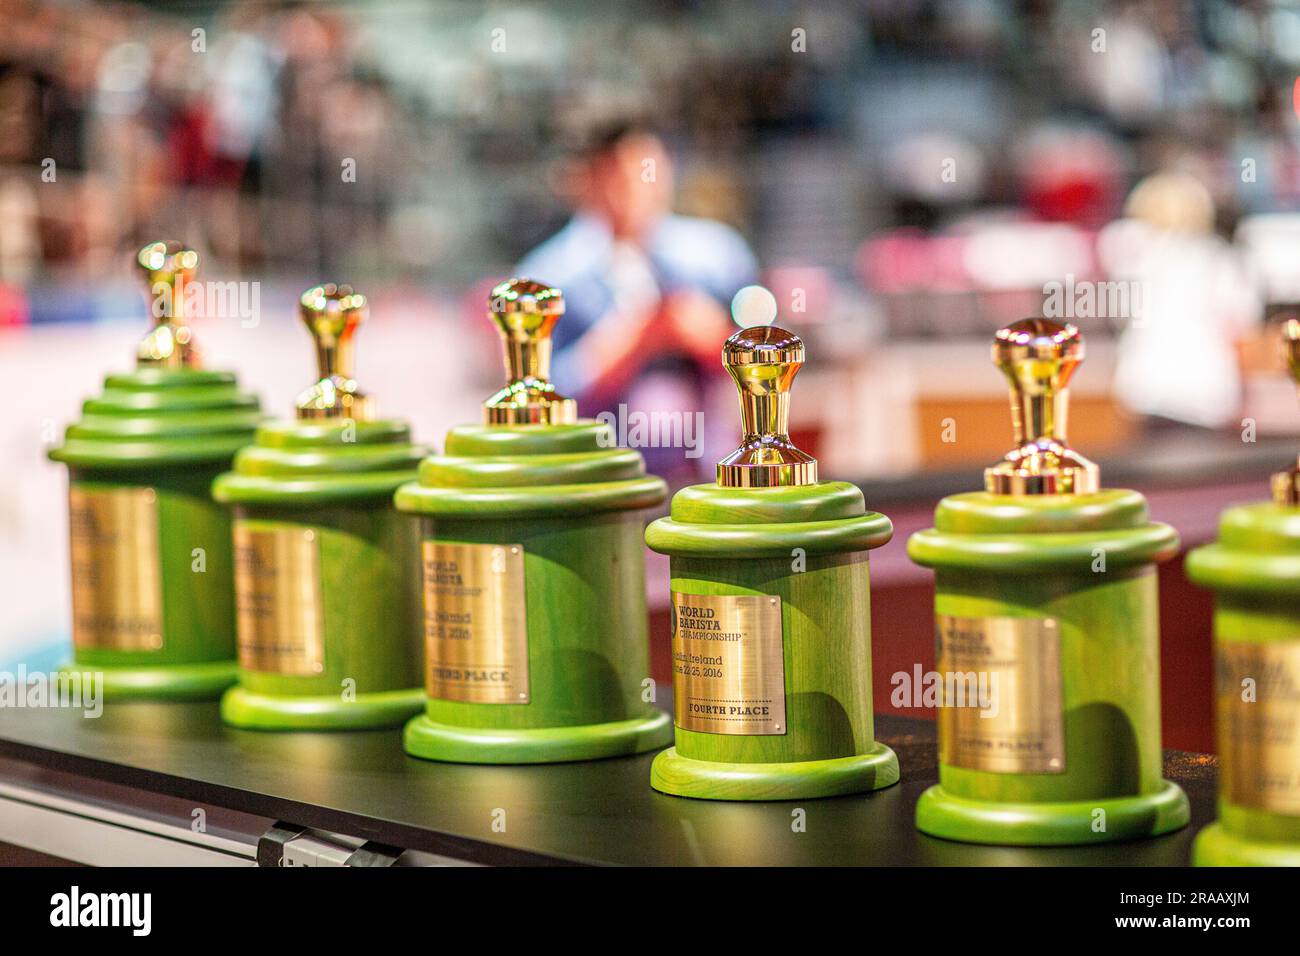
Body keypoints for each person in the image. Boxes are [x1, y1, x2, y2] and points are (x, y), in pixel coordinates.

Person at [517, 122, 758, 426]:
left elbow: (769, 361)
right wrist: (631, 342)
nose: (640, 189)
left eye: (650, 172)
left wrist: (715, 340)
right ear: (586, 180)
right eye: (620, 177)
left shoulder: (718, 254)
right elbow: (534, 400)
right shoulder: (546, 277)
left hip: (706, 458)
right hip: (599, 459)